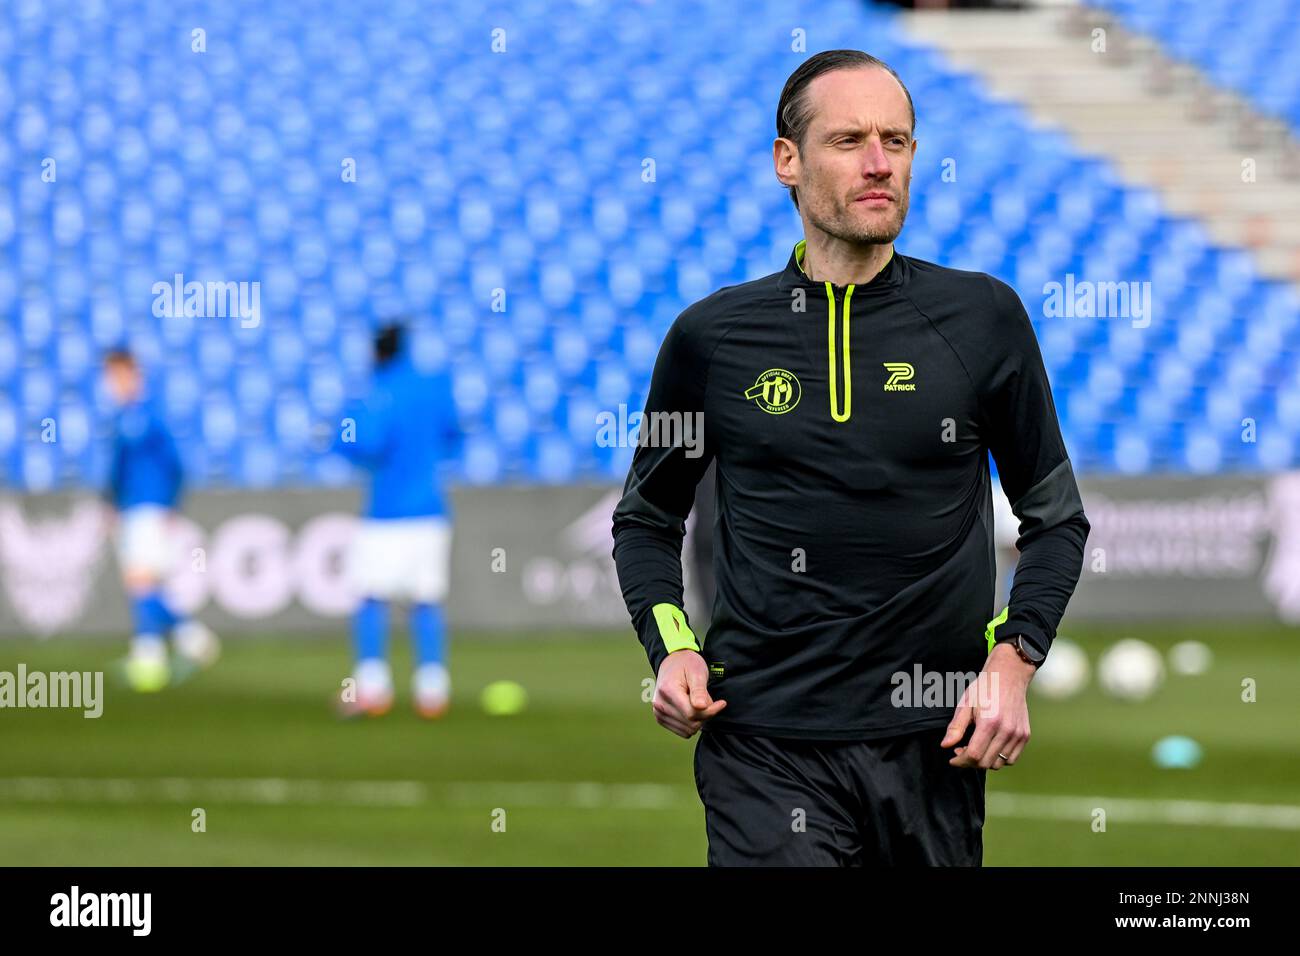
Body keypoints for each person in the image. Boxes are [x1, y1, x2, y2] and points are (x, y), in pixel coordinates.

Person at [611, 50, 1091, 865]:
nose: (880, 164)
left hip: (934, 745)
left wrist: (1013, 661)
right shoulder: (712, 338)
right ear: (786, 161)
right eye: (850, 141)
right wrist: (674, 647)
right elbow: (647, 520)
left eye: (896, 141)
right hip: (763, 741)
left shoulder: (983, 320)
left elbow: (1056, 522)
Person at [333, 324, 461, 718]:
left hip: (386, 511)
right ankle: (432, 690)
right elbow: (453, 433)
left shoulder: (376, 392)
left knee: (372, 597)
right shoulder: (434, 384)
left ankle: (372, 688)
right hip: (430, 510)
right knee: (426, 600)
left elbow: (362, 443)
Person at [103, 347, 219, 691]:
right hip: (134, 509)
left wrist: (168, 504)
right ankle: (192, 641)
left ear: (132, 375)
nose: (112, 384)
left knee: (141, 582)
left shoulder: (144, 417)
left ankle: (150, 658)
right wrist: (113, 504)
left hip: (148, 509)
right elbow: (120, 470)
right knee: (145, 584)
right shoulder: (127, 417)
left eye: (117, 376)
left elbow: (175, 464)